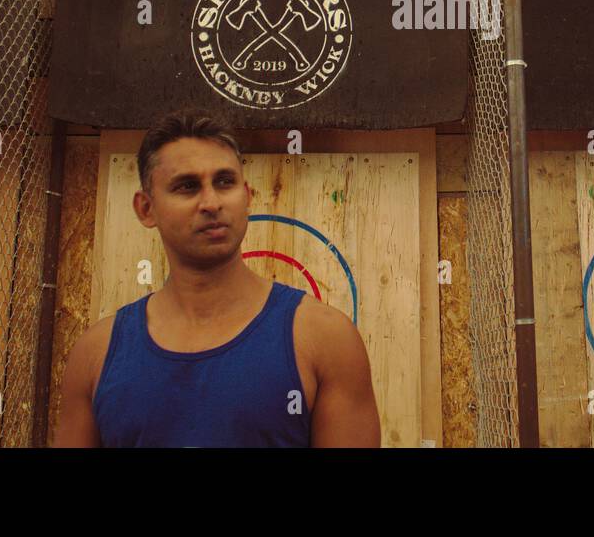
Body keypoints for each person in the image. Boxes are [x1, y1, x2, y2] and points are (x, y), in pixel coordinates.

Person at [54, 108, 380, 447]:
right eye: (187, 187)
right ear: (146, 209)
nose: (211, 202)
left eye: (224, 182)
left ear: (247, 197)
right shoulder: (97, 353)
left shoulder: (324, 340)